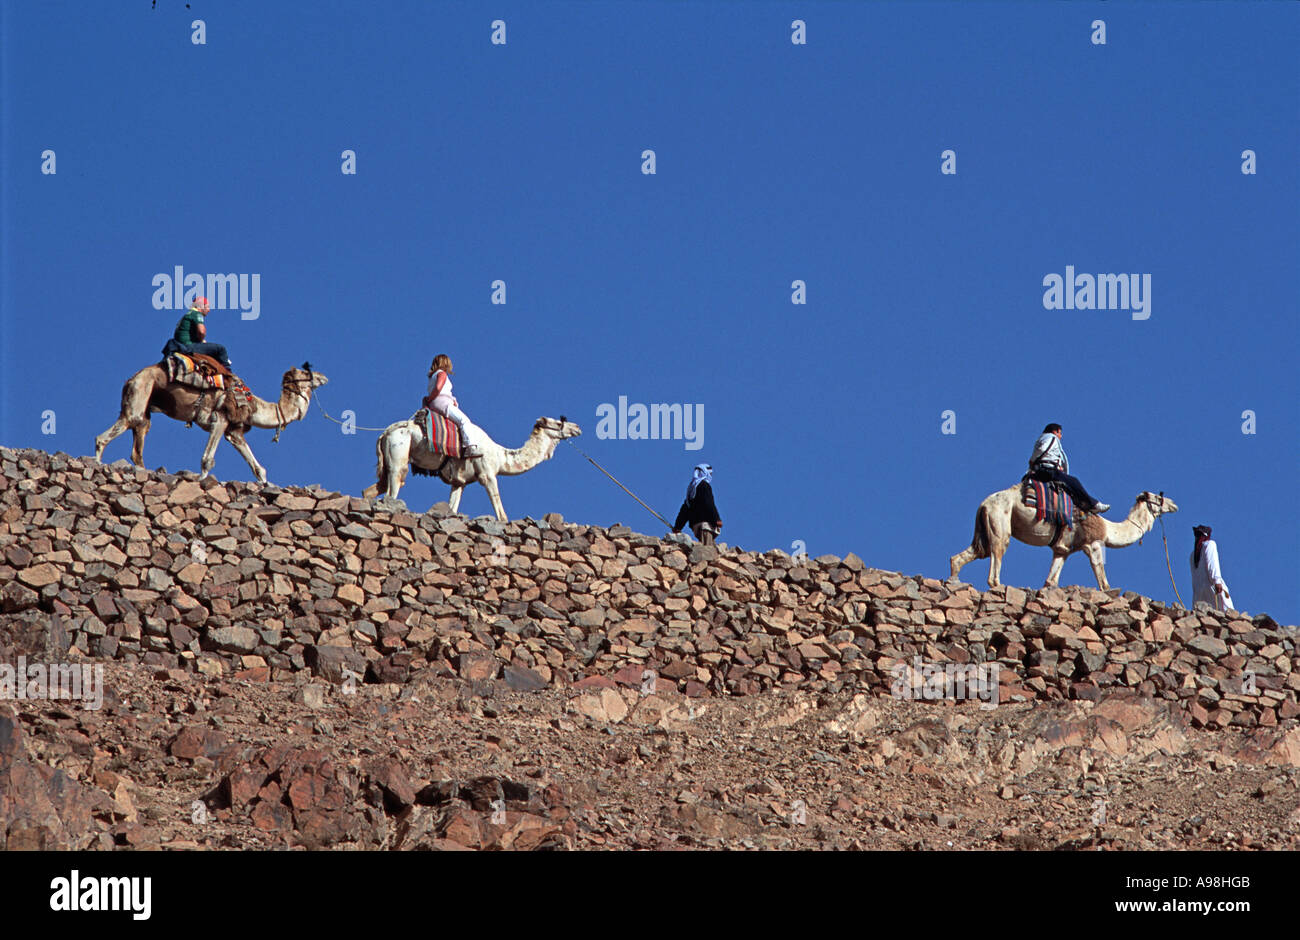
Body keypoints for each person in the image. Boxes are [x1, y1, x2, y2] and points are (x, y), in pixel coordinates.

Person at [1026, 423, 1109, 513]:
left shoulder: (1040, 439)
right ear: (1055, 431)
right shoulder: (1052, 437)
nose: (1061, 436)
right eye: (1060, 433)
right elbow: (1043, 450)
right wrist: (1033, 460)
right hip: (1047, 470)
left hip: (1040, 469)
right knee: (1074, 481)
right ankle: (1094, 505)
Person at [423, 354, 483, 458]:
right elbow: (438, 388)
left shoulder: (432, 377)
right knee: (464, 420)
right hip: (443, 403)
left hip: (435, 405)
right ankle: (470, 447)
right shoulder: (442, 374)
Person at [161, 297, 233, 369]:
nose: (209, 310)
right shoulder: (196, 314)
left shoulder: (187, 315)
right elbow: (201, 332)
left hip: (180, 345)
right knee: (220, 349)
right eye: (207, 307)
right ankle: (228, 375)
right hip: (187, 347)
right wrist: (201, 340)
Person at [672, 464, 722, 545]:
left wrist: (678, 527)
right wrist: (716, 519)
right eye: (710, 473)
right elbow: (708, 503)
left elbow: (685, 509)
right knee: (707, 551)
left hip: (696, 526)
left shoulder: (692, 489)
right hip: (705, 526)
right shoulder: (704, 485)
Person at [1190, 524, 1234, 611]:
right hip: (1212, 586)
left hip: (1199, 594)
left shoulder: (1192, 555)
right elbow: (1212, 564)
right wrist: (1217, 581)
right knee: (1227, 612)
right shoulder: (1210, 544)